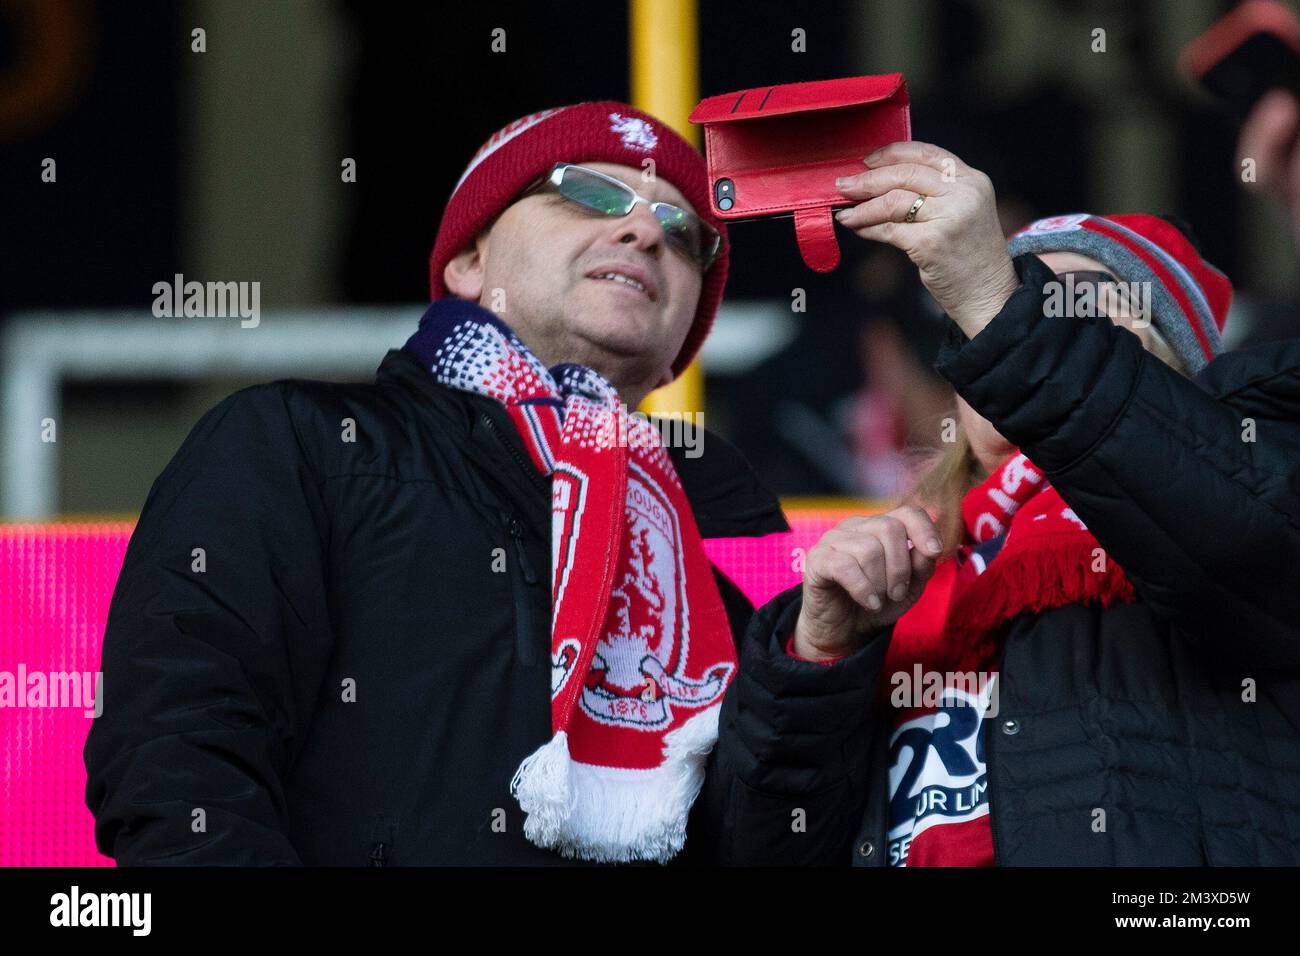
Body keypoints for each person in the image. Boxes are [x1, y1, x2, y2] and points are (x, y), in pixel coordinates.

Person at [83, 101, 905, 865]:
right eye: (584, 192)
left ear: (683, 335)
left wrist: (818, 660)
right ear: (471, 259)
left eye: (685, 235)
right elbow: (177, 760)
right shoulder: (301, 448)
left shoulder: (701, 592)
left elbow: (766, 852)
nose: (647, 235)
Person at [698, 140, 1300, 865]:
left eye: (1072, 315)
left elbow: (1237, 523)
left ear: (1164, 380)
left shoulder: (1234, 499)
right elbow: (756, 851)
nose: (1006, 339)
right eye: (982, 323)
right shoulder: (898, 568)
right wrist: (818, 657)